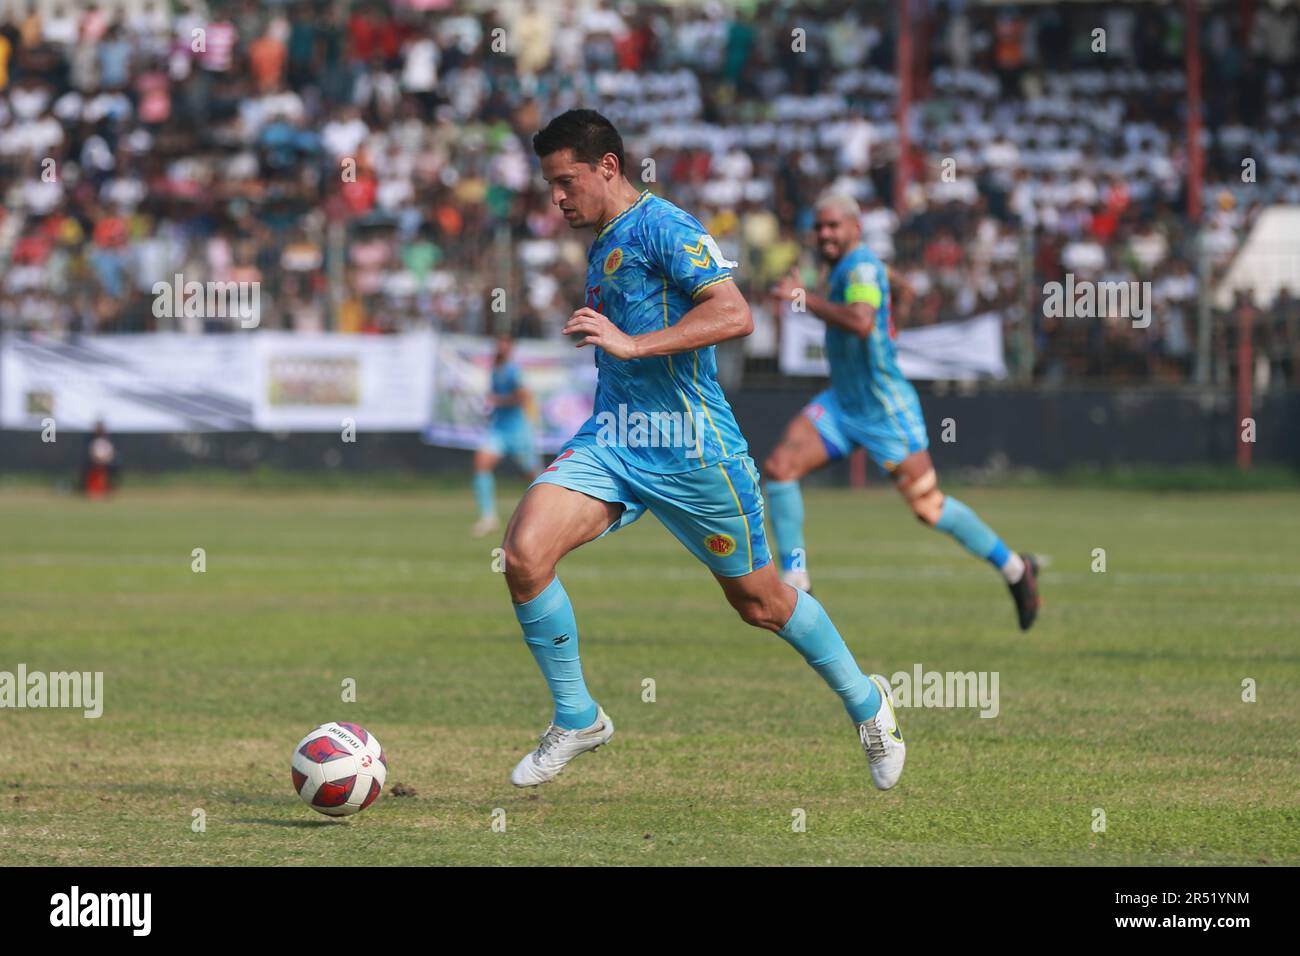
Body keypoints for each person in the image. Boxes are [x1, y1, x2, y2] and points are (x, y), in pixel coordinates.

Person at [499, 110, 905, 791]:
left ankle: (870, 706)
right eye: (549, 185)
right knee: (523, 554)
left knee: (761, 603)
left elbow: (734, 312)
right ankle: (578, 716)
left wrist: (631, 344)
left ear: (608, 167)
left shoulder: (665, 225)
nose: (557, 198)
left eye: (566, 182)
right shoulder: (603, 242)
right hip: (617, 440)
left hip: (693, 449)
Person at [764, 193, 1040, 629]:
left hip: (884, 409)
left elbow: (860, 320)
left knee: (928, 507)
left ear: (855, 227)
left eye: (834, 225)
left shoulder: (860, 267)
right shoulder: (851, 266)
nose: (825, 234)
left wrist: (804, 299)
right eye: (819, 227)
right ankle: (797, 581)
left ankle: (1016, 570)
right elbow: (883, 293)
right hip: (843, 402)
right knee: (780, 468)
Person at [472, 334, 539, 537]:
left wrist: (498, 401)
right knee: (481, 463)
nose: (500, 347)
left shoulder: (513, 371)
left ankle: (547, 511)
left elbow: (523, 396)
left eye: (504, 344)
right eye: (498, 343)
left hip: (518, 431)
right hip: (499, 429)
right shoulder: (494, 370)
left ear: (510, 348)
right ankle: (488, 517)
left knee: (533, 476)